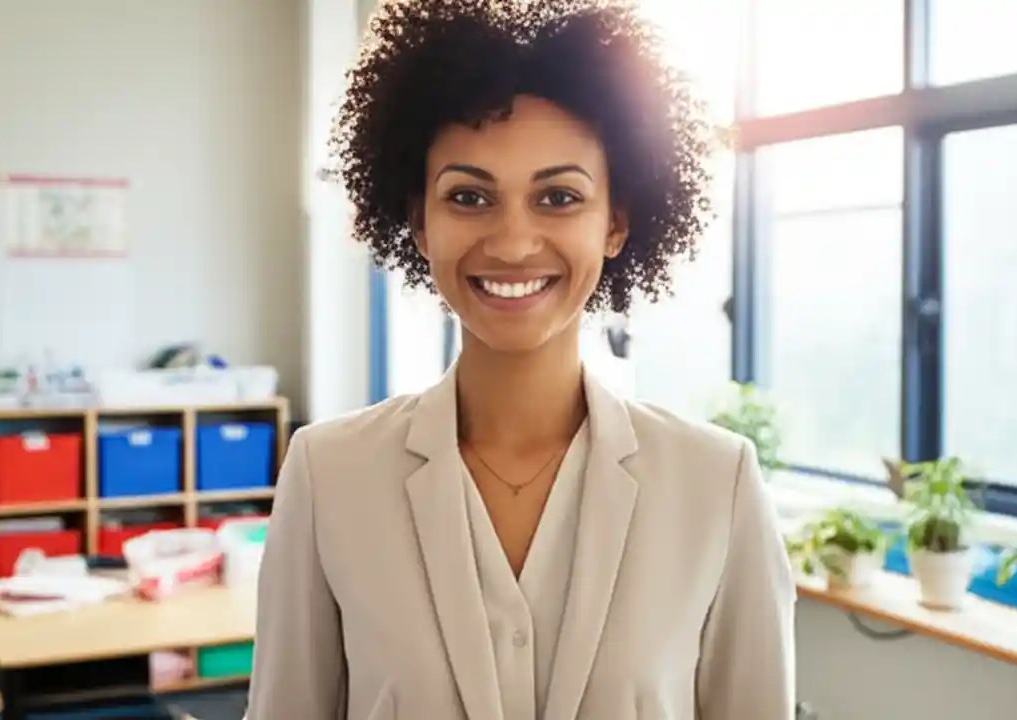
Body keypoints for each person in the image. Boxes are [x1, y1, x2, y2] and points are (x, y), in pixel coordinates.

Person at [247, 1, 795, 718]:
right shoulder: (328, 476)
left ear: (617, 222)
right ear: (419, 220)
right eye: (468, 196)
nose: (511, 242)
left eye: (559, 197)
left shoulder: (716, 485)